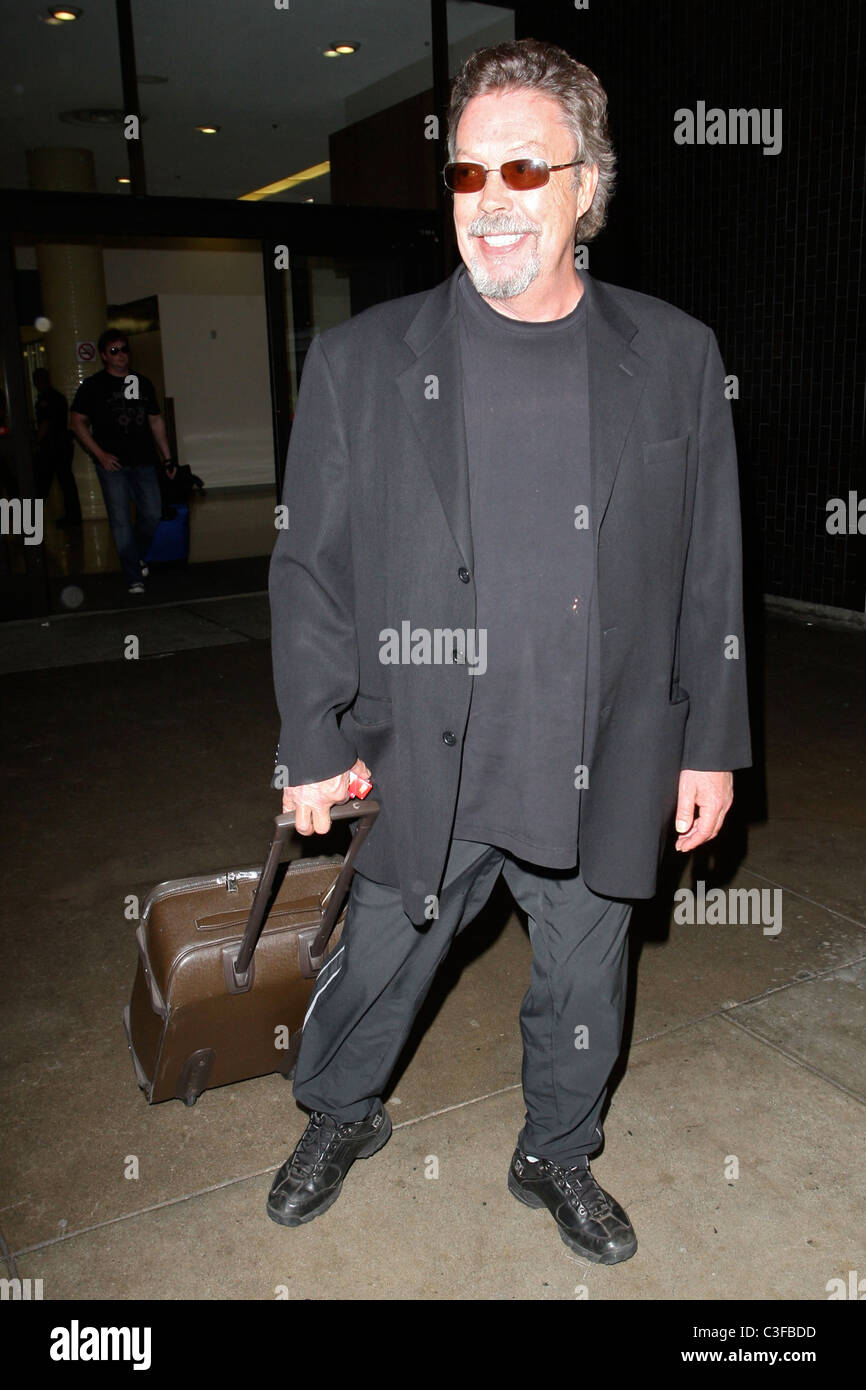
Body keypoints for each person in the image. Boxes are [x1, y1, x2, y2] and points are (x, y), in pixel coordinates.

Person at [266, 38, 751, 1265]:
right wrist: (312, 738)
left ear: (586, 186)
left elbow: (708, 568)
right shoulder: (362, 363)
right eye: (467, 173)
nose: (490, 201)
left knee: (586, 990)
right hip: (424, 754)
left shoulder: (676, 356)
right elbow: (310, 566)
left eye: (524, 170)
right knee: (377, 968)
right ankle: (337, 1112)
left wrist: (709, 746)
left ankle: (556, 1150)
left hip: (602, 746)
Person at [69, 330, 175, 594]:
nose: (121, 355)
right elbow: (76, 422)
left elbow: (155, 420)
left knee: (152, 512)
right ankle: (133, 576)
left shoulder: (142, 383)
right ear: (104, 355)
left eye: (124, 349)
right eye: (114, 351)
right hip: (112, 463)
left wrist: (168, 457)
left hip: (144, 459)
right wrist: (100, 454)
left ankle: (135, 556)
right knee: (120, 519)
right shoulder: (93, 386)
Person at [32, 367, 81, 527]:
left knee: (43, 483)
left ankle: (32, 519)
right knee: (65, 482)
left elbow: (45, 423)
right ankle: (73, 516)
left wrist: (37, 441)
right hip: (61, 445)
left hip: (52, 446)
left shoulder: (46, 399)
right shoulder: (57, 397)